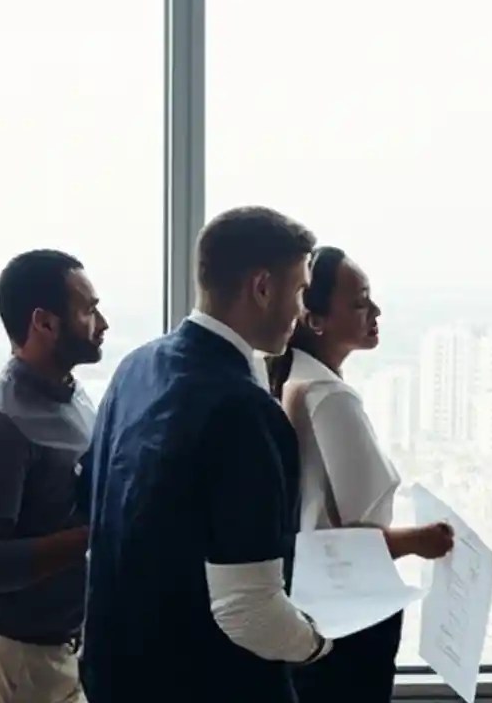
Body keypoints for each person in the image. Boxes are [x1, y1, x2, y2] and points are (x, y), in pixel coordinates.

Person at [78, 206, 331, 703]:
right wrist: (318, 643)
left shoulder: (136, 369)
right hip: (205, 681)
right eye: (300, 291)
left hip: (118, 675)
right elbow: (248, 610)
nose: (302, 311)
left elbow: (96, 515)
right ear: (262, 287)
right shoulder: (242, 409)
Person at [266, 246, 453, 702]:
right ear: (316, 319)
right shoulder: (330, 396)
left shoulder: (288, 383)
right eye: (360, 302)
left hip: (303, 610)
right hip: (348, 619)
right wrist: (422, 540)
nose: (375, 311)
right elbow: (355, 533)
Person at [0, 250, 106, 702]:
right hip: (16, 661)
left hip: (66, 650)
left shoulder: (75, 397)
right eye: (89, 310)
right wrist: (97, 534)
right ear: (45, 323)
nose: (102, 323)